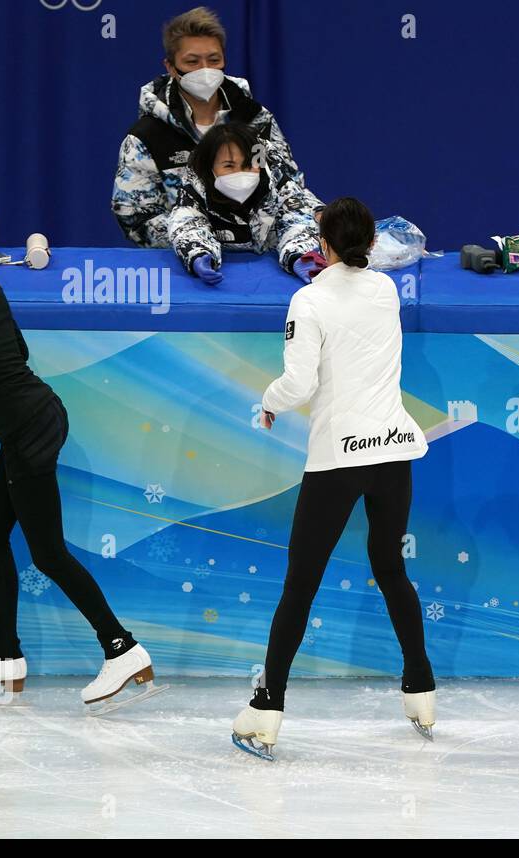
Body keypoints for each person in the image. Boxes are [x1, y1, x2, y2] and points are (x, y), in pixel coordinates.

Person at [0, 202, 164, 713]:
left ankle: (122, 648)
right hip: (37, 418)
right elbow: (17, 355)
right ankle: (3, 654)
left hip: (28, 431)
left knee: (48, 554)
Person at [231, 197, 434, 761]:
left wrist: (269, 402)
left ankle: (267, 707)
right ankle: (420, 686)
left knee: (301, 584)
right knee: (390, 568)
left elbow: (297, 384)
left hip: (339, 459)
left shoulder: (309, 298)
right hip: (392, 449)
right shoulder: (386, 290)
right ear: (370, 243)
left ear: (321, 242)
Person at [112, 6, 316, 248]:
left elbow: (288, 184)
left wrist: (313, 217)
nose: (205, 70)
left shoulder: (254, 120)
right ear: (170, 67)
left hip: (260, 262)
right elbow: (135, 216)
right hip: (189, 267)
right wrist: (202, 240)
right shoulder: (147, 135)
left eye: (214, 60)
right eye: (192, 61)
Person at [168, 122, 321, 284]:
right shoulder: (194, 192)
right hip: (229, 278)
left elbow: (297, 221)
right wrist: (197, 254)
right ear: (210, 166)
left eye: (248, 165)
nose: (240, 174)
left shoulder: (279, 185)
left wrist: (300, 255)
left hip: (271, 277)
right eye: (229, 166)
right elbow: (187, 225)